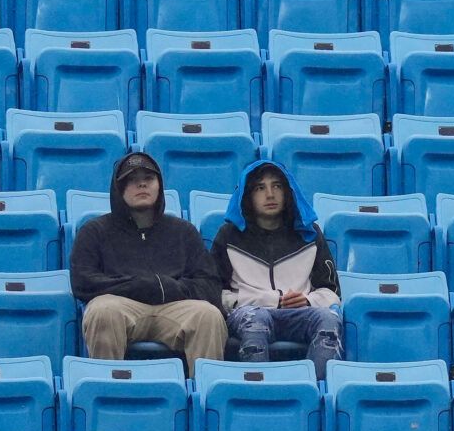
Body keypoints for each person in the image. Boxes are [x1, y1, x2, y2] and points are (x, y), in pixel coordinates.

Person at [72, 150, 227, 361]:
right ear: (118, 188)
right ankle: (106, 381)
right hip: (121, 306)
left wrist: (168, 287)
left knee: (209, 315)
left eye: (148, 178)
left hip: (175, 306)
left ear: (159, 186)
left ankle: (204, 382)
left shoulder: (184, 231)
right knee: (102, 310)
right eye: (132, 180)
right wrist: (138, 286)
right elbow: (83, 282)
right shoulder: (94, 231)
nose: (142, 184)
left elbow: (209, 284)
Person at [210, 159, 343, 374]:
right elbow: (214, 293)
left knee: (329, 319)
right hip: (250, 312)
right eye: (260, 188)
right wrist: (267, 300)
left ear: (288, 192)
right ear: (247, 195)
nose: (270, 195)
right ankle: (259, 387)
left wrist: (308, 300)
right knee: (256, 319)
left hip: (301, 313)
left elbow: (332, 292)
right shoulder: (228, 236)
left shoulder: (310, 234)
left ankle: (315, 388)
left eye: (277, 186)